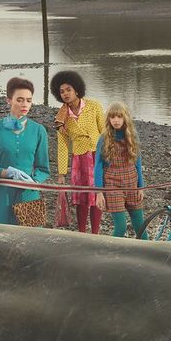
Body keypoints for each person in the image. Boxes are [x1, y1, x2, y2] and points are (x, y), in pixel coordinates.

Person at [0, 78, 50, 225]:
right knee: (0, 235)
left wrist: (34, 181)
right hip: (1, 195)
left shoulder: (39, 131)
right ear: (9, 100)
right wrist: (7, 172)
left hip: (29, 193)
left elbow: (43, 168)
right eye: (19, 100)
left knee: (30, 237)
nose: (25, 104)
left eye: (28, 100)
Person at [52, 70, 105, 234]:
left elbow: (105, 132)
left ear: (76, 89)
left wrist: (110, 157)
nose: (65, 94)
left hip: (97, 155)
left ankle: (95, 233)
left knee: (97, 194)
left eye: (68, 89)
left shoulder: (94, 106)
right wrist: (61, 173)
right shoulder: (61, 118)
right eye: (62, 91)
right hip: (79, 159)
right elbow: (62, 146)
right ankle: (82, 232)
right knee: (81, 197)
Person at [93, 102, 146, 239]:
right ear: (108, 119)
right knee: (121, 227)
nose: (116, 120)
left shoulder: (132, 136)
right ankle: (110, 250)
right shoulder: (104, 138)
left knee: (141, 227)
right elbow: (98, 166)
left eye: (119, 117)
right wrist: (99, 192)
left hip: (132, 182)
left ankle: (147, 250)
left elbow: (138, 162)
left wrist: (141, 186)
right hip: (112, 184)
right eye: (112, 117)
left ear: (125, 118)